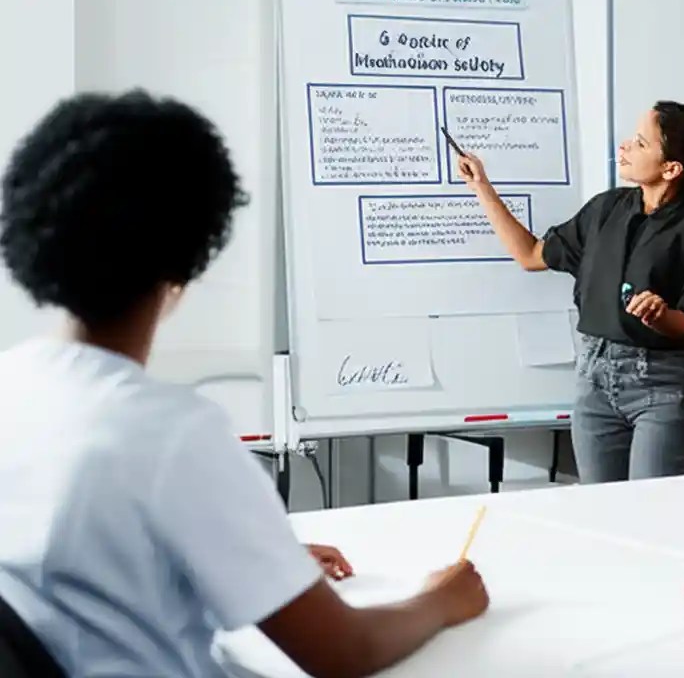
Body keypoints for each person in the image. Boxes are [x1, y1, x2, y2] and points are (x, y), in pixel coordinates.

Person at [0, 91, 488, 678]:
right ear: (189, 251)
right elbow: (344, 653)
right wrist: (441, 598)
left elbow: (71, 564)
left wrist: (246, 559)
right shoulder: (170, 432)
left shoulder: (15, 382)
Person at [457, 101, 684, 483]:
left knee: (651, 516)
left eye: (639, 143)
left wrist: (660, 314)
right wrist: (482, 188)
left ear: (671, 169)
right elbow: (531, 255)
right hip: (593, 382)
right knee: (601, 513)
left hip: (662, 386)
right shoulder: (606, 208)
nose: (625, 147)